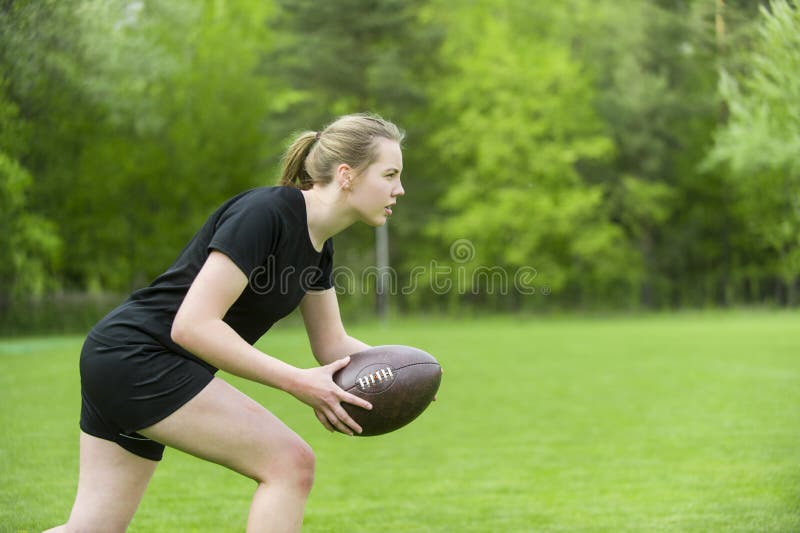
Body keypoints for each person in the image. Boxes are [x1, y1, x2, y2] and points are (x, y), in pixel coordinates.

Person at [45, 113, 406, 533]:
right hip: (138, 358)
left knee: (91, 529)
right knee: (290, 463)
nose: (398, 189)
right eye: (390, 174)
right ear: (347, 175)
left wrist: (407, 368)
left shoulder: (319, 247)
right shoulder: (266, 212)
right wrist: (296, 381)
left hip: (121, 360)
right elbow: (193, 325)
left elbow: (332, 344)